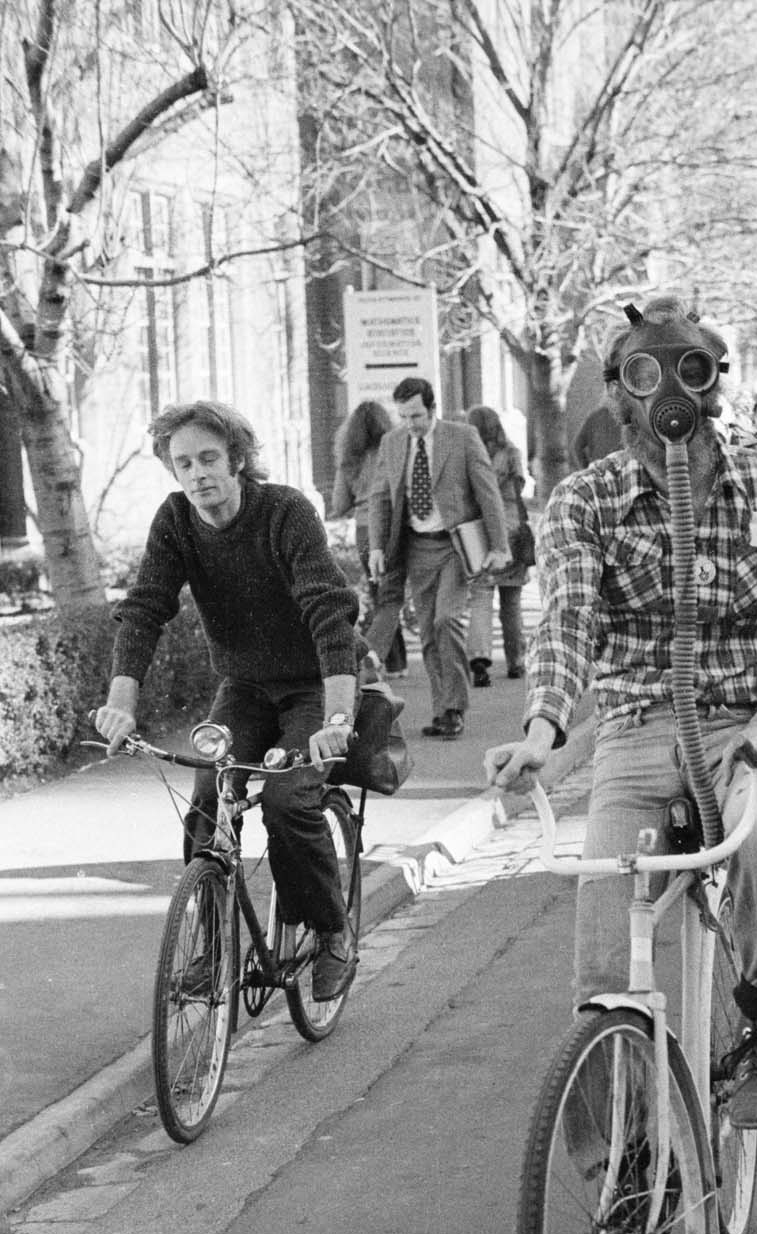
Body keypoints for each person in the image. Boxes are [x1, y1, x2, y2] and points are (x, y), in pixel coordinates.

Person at [485, 292, 757, 1135]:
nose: (667, 394)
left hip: (743, 729)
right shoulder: (585, 501)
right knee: (607, 965)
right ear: (618, 391)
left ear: (714, 381)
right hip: (637, 731)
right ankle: (619, 1183)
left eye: (689, 370)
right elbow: (567, 621)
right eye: (644, 375)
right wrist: (542, 728)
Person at [93, 400, 362, 1000]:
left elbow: (328, 608)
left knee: (290, 803)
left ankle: (333, 930)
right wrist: (120, 704)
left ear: (236, 458)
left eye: (209, 458)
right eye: (183, 463)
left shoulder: (285, 512)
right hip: (244, 688)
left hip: (311, 685)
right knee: (209, 800)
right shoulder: (176, 521)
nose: (197, 474)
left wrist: (339, 715)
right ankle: (211, 949)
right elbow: (145, 610)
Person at [365, 376, 509, 740]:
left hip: (456, 546)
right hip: (415, 548)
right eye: (404, 417)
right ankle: (442, 710)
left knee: (447, 621)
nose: (411, 424)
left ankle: (456, 706)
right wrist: (378, 547)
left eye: (416, 416)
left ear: (432, 409)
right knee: (428, 632)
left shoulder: (461, 438)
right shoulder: (393, 443)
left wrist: (499, 544)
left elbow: (488, 491)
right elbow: (380, 497)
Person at [328, 400, 407, 678]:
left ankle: (395, 663)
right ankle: (379, 658)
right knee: (391, 595)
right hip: (393, 525)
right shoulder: (394, 452)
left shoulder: (350, 460)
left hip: (363, 529)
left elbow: (339, 504)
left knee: (380, 594)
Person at [463, 405, 530, 686]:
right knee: (511, 601)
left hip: (479, 532)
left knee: (480, 596)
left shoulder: (467, 455)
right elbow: (519, 489)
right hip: (512, 528)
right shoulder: (512, 452)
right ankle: (516, 661)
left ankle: (479, 657)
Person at [570, 399, 623, 469]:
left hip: (601, 472)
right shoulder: (626, 416)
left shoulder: (593, 417)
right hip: (622, 470)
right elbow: (577, 446)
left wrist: (587, 470)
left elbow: (577, 446)